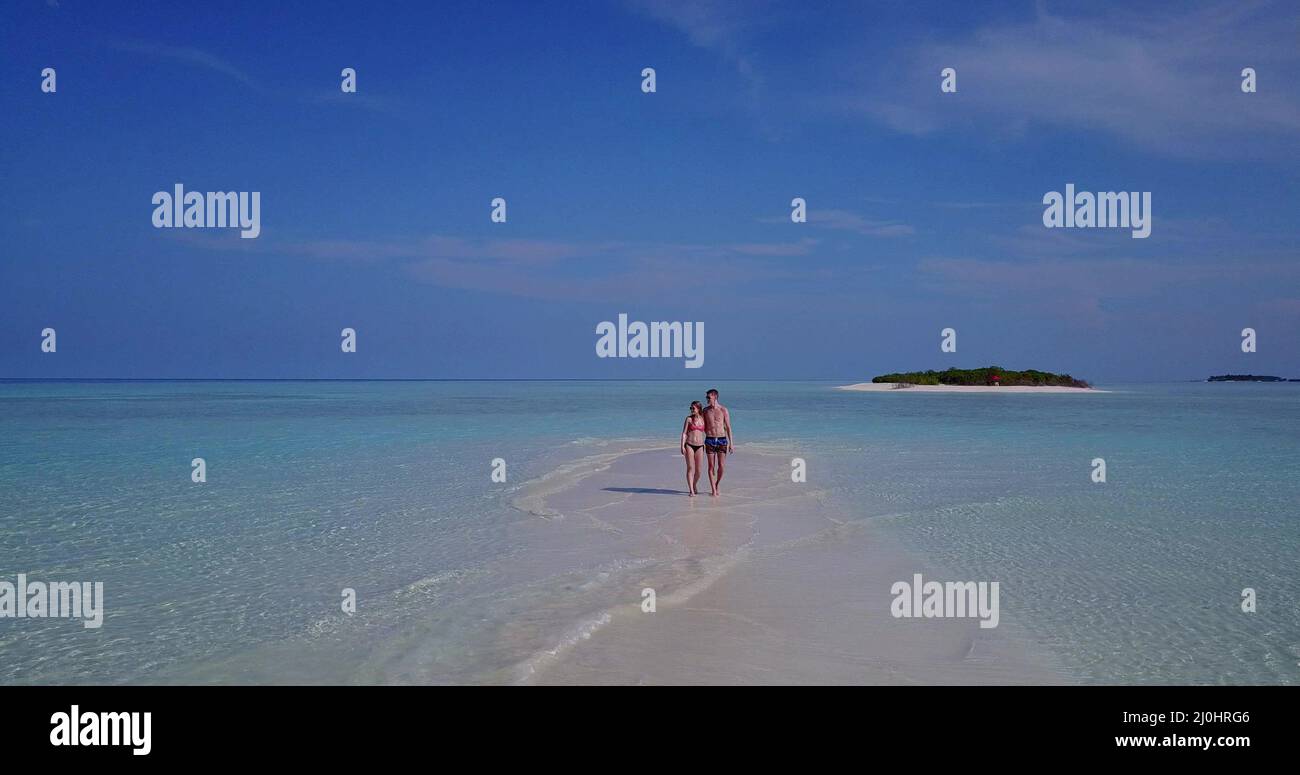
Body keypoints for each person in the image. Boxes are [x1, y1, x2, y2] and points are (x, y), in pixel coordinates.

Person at [702, 388, 734, 496]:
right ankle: (713, 490)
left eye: (708, 397)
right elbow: (702, 426)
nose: (707, 399)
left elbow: (728, 427)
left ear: (715, 397)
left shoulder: (723, 410)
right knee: (711, 466)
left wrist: (731, 443)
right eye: (706, 397)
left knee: (721, 466)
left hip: (722, 439)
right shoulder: (705, 411)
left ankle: (717, 484)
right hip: (710, 439)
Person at [680, 401, 706, 496]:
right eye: (690, 408)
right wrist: (682, 446)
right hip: (689, 445)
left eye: (693, 408)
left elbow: (708, 431)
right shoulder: (688, 419)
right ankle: (691, 490)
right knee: (690, 467)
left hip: (700, 446)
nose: (691, 410)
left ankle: (694, 484)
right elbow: (684, 433)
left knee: (699, 471)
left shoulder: (703, 419)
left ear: (698, 409)